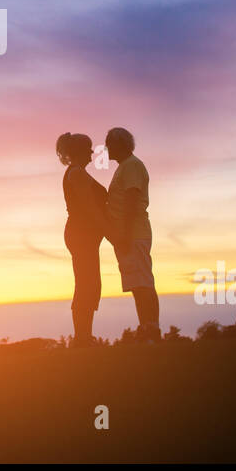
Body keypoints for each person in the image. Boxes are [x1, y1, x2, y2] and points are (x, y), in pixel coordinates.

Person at [104, 127, 159, 341]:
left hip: (134, 233)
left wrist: (124, 234)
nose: (107, 149)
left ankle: (151, 329)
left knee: (143, 283)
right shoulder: (125, 167)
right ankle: (146, 327)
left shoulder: (132, 166)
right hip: (128, 235)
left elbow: (131, 199)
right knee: (137, 285)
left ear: (120, 145)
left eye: (109, 144)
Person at [56, 132, 108, 346]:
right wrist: (110, 231)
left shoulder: (77, 172)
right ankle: (82, 338)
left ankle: (84, 336)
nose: (91, 153)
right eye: (88, 149)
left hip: (84, 234)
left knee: (90, 283)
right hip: (81, 234)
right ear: (78, 152)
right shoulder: (76, 173)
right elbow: (90, 208)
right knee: (87, 283)